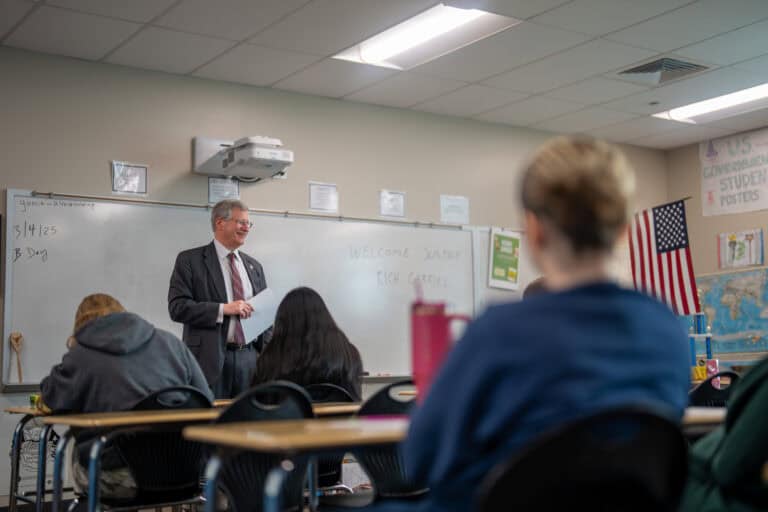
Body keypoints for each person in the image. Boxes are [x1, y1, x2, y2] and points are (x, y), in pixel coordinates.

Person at [393, 137, 691, 512]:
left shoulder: (498, 333)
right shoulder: (666, 330)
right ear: (622, 230)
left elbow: (421, 458)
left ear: (534, 230)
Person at [39, 293, 213, 499]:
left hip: (122, 480)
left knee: (77, 452)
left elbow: (49, 399)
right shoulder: (171, 343)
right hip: (185, 474)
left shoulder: (79, 356)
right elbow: (206, 399)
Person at [168, 199, 271, 398]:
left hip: (250, 363)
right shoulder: (190, 260)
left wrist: (263, 357)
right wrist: (223, 309)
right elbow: (177, 307)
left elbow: (266, 318)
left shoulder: (254, 266)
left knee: (246, 424)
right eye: (240, 222)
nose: (246, 228)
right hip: (208, 362)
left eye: (248, 223)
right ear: (220, 223)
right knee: (208, 425)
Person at [252, 287, 363, 401]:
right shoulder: (349, 355)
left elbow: (258, 405)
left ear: (282, 323)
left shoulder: (268, 361)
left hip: (287, 418)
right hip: (338, 418)